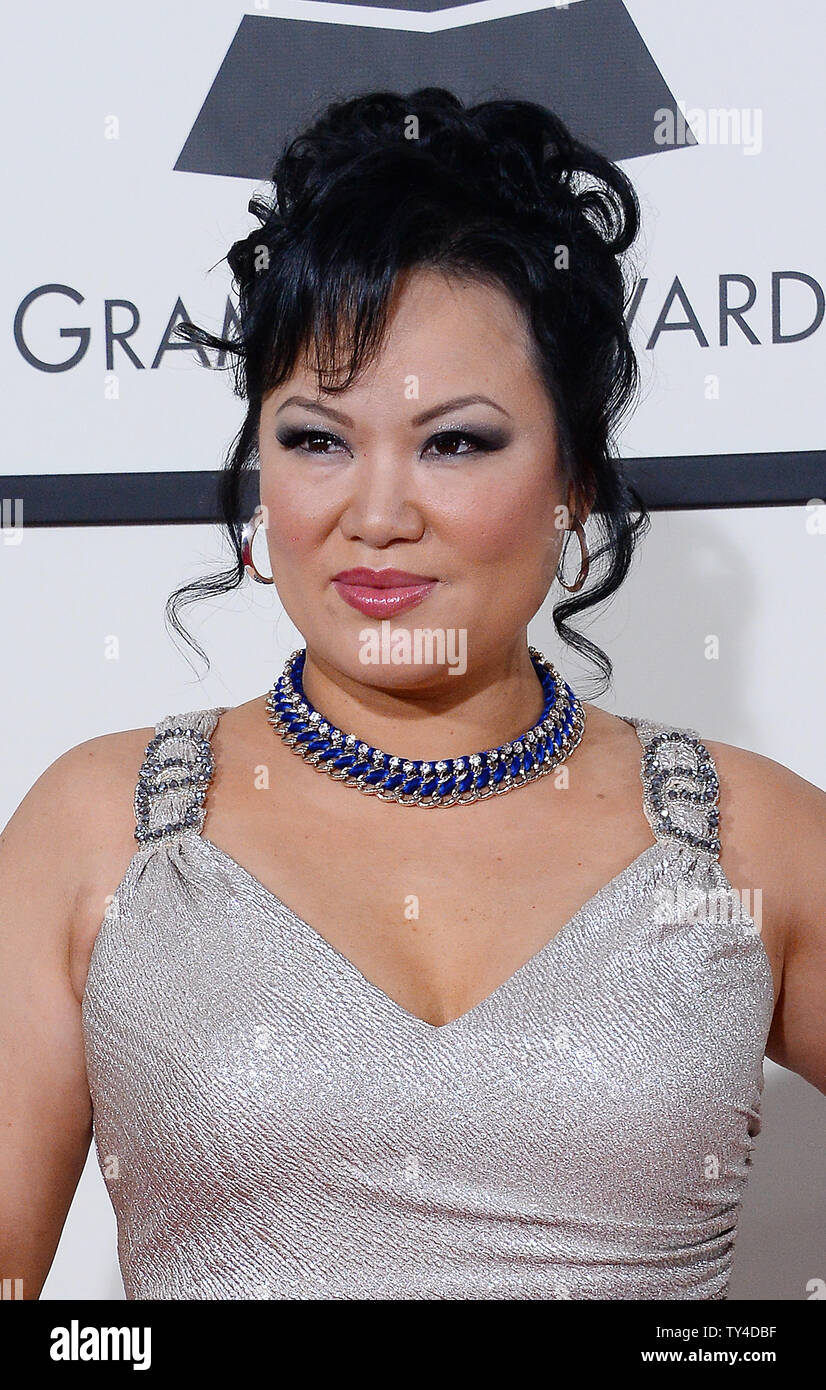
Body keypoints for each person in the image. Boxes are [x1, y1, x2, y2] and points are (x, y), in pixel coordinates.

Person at [1, 87, 824, 1302]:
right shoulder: (94, 827)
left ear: (574, 485)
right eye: (316, 438)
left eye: (456, 442)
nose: (375, 516)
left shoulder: (751, 838)